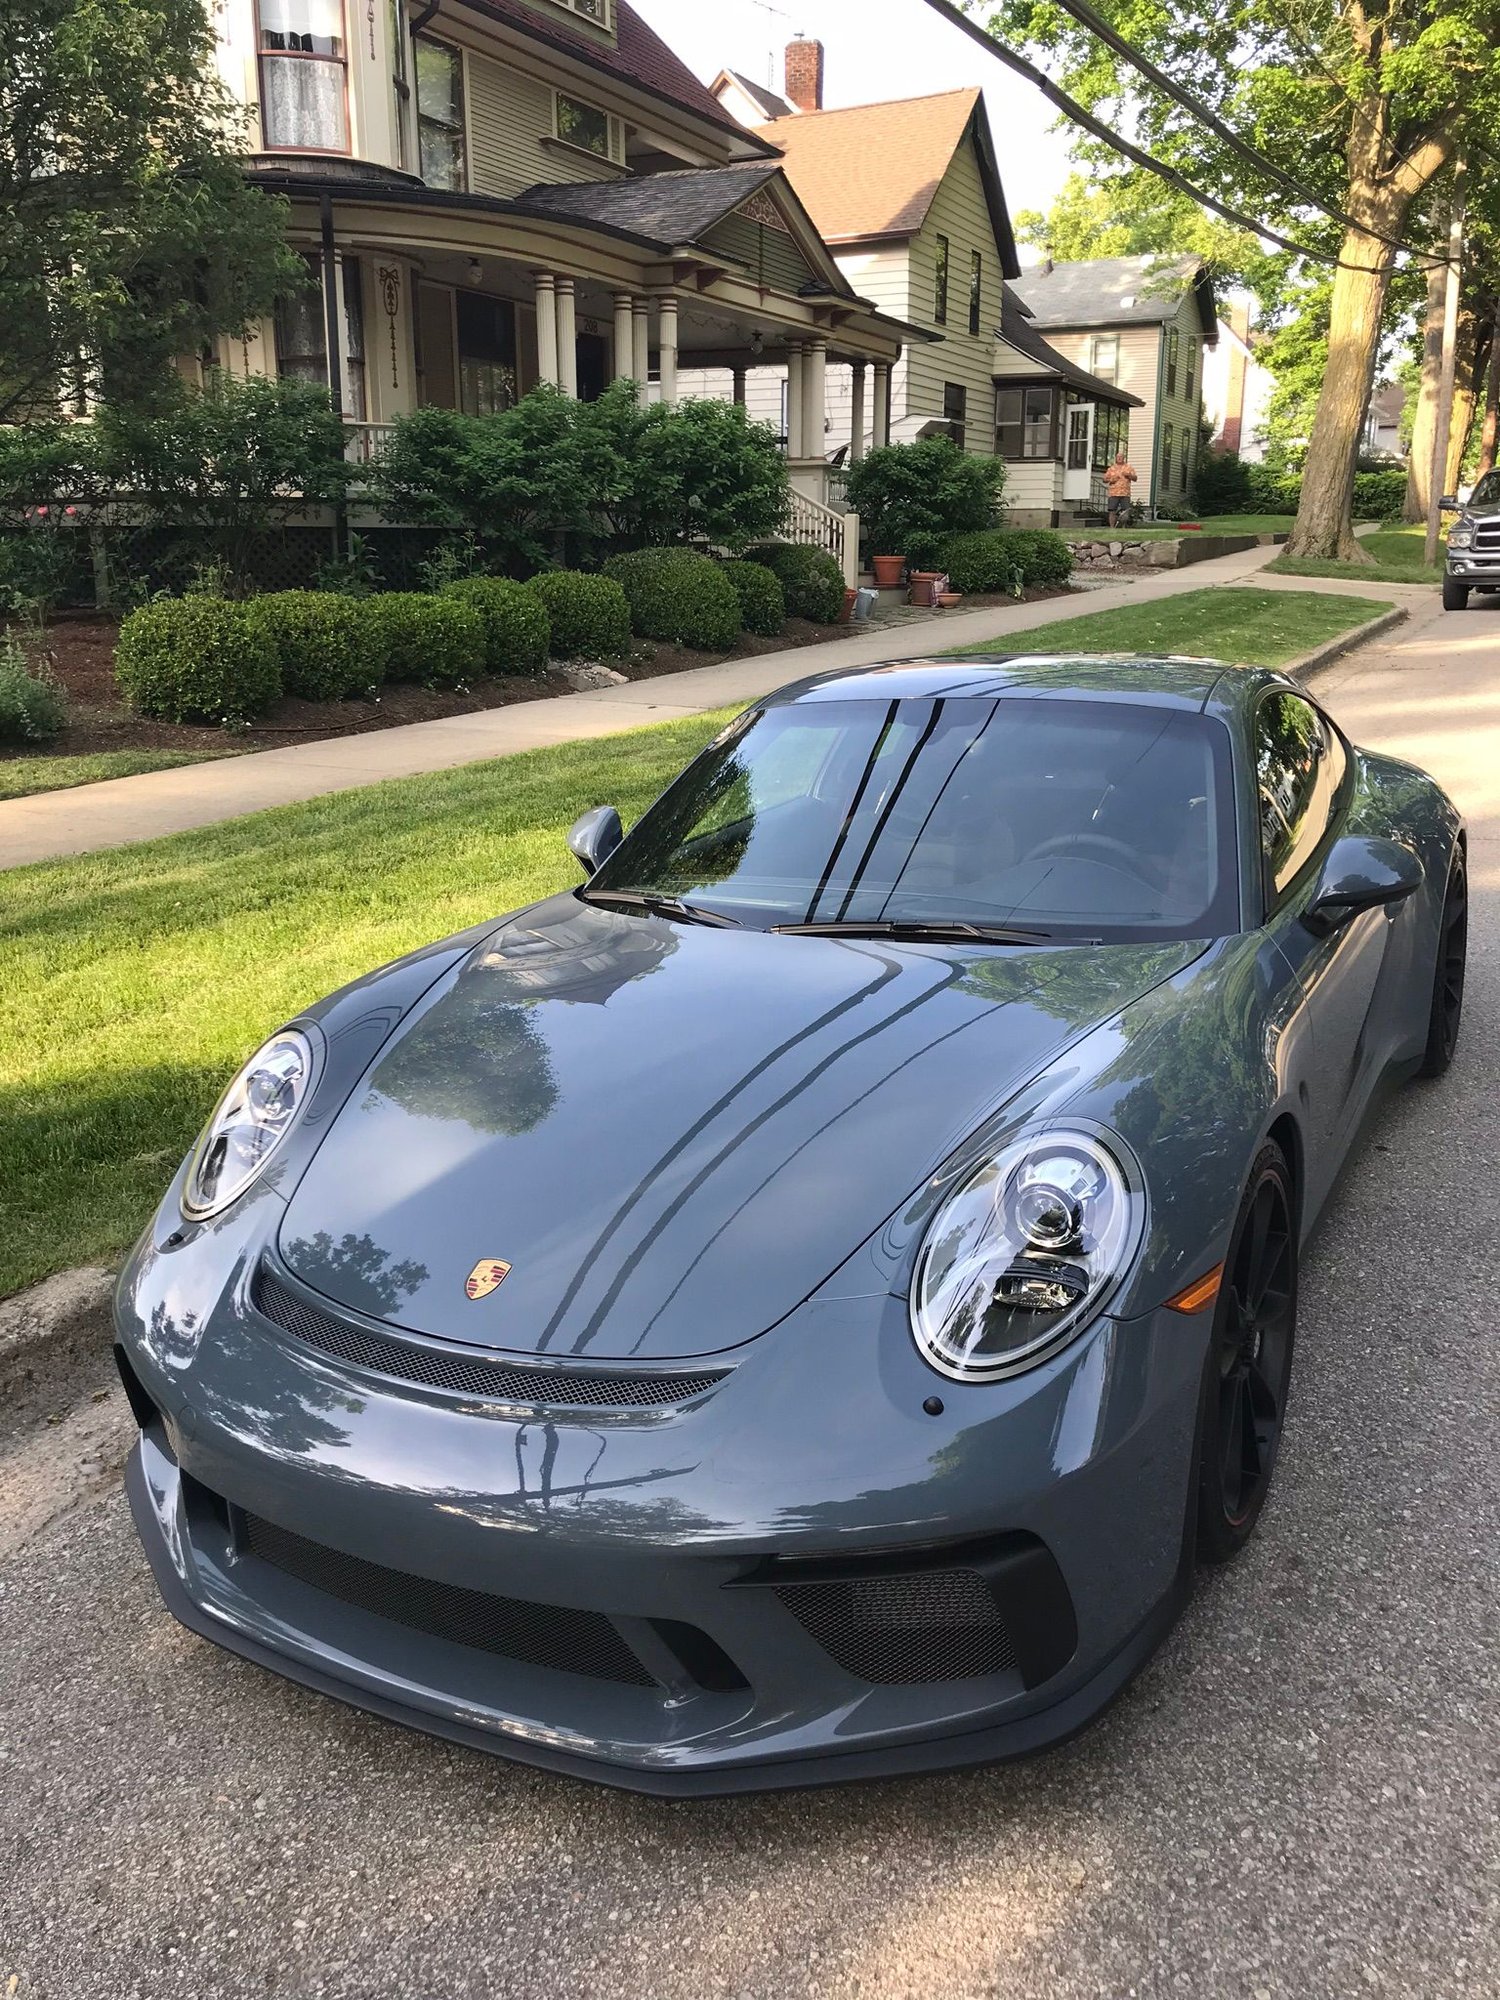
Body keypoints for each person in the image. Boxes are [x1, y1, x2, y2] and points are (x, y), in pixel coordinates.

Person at [1103, 449, 1138, 528]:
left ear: (1123, 458)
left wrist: (1129, 475)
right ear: (1115, 458)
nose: (1119, 458)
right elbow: (1104, 479)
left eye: (1121, 457)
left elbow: (1135, 478)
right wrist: (1111, 479)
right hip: (1113, 493)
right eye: (1118, 457)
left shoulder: (1128, 468)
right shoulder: (1111, 468)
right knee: (1112, 511)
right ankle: (1112, 528)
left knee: (1125, 511)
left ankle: (1123, 527)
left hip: (1125, 493)